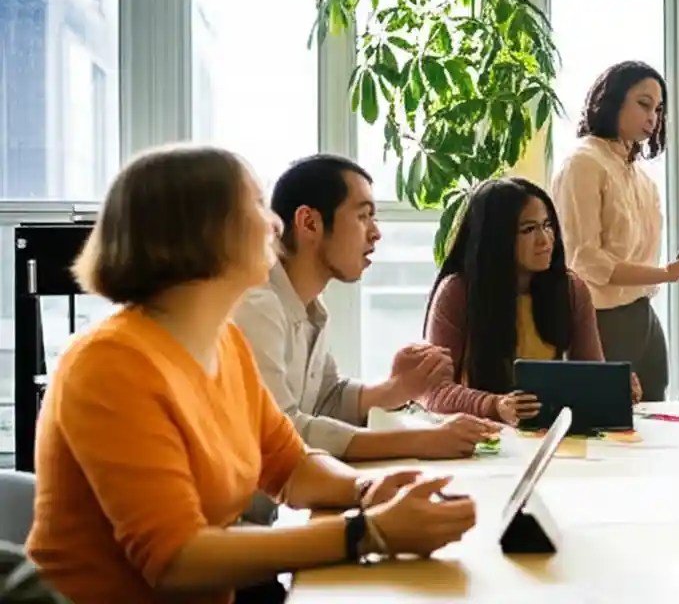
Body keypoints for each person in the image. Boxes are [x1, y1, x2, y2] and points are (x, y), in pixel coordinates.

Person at [26, 145, 477, 604]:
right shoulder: (110, 364)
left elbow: (290, 465)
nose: (275, 224)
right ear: (200, 232)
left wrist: (367, 489)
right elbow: (175, 559)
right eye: (256, 206)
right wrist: (367, 532)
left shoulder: (225, 343)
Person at [233, 155, 499, 472]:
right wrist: (422, 441)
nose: (376, 233)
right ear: (309, 223)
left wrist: (396, 388)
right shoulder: (257, 305)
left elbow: (327, 399)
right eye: (363, 216)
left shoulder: (310, 306)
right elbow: (280, 431)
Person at [551, 61, 679, 401]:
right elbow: (585, 260)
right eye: (644, 104)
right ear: (612, 100)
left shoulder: (641, 176)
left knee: (657, 413)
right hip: (598, 317)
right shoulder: (583, 162)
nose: (653, 117)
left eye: (658, 109)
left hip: (642, 312)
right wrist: (669, 273)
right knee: (607, 417)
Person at [422, 177, 641, 425]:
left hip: (548, 432)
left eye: (547, 225)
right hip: (478, 433)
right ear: (496, 237)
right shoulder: (456, 292)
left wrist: (613, 388)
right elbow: (433, 391)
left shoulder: (571, 289)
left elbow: (591, 373)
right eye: (528, 229)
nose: (545, 240)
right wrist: (494, 405)